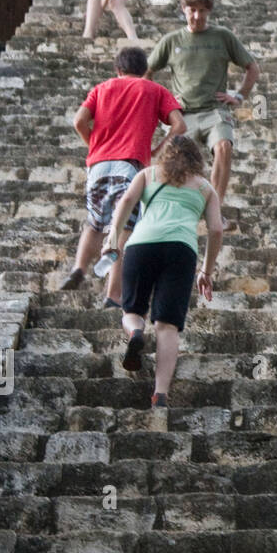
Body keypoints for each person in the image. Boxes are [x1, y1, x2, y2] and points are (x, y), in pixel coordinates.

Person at [58, 47, 185, 306]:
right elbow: (180, 125)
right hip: (130, 167)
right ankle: (113, 295)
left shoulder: (102, 88)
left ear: (118, 70)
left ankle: (80, 267)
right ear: (144, 70)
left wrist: (93, 145)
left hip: (98, 166)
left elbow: (79, 121)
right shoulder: (154, 89)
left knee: (94, 223)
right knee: (124, 230)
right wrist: (158, 150)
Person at [103, 135, 223, 408]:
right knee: (167, 326)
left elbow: (125, 203)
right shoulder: (205, 187)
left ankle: (135, 333)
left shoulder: (147, 174)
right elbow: (216, 229)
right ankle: (160, 393)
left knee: (132, 311)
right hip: (181, 250)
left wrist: (112, 241)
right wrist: (206, 270)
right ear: (197, 159)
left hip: (141, 245)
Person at [146, 0, 260, 228]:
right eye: (192, 9)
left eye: (202, 11)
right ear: (183, 9)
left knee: (224, 146)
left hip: (214, 111)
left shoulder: (223, 37)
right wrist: (157, 106)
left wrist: (239, 96)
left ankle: (214, 209)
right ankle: (168, 211)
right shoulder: (171, 40)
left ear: (209, 11)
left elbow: (252, 68)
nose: (196, 16)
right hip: (182, 115)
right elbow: (147, 73)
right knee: (170, 163)